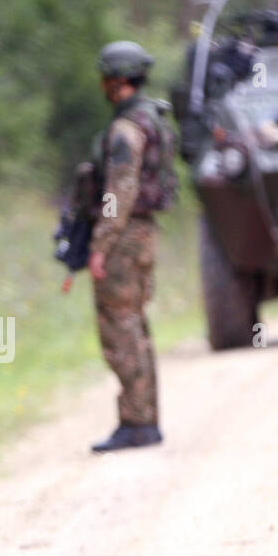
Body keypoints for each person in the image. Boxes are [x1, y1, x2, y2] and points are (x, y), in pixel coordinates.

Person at [87, 41, 175, 453]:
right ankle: (145, 419)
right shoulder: (151, 119)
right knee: (135, 325)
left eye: (106, 77)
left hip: (123, 237)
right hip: (142, 233)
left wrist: (101, 244)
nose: (102, 85)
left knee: (120, 328)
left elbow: (118, 190)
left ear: (118, 80)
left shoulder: (126, 128)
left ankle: (137, 421)